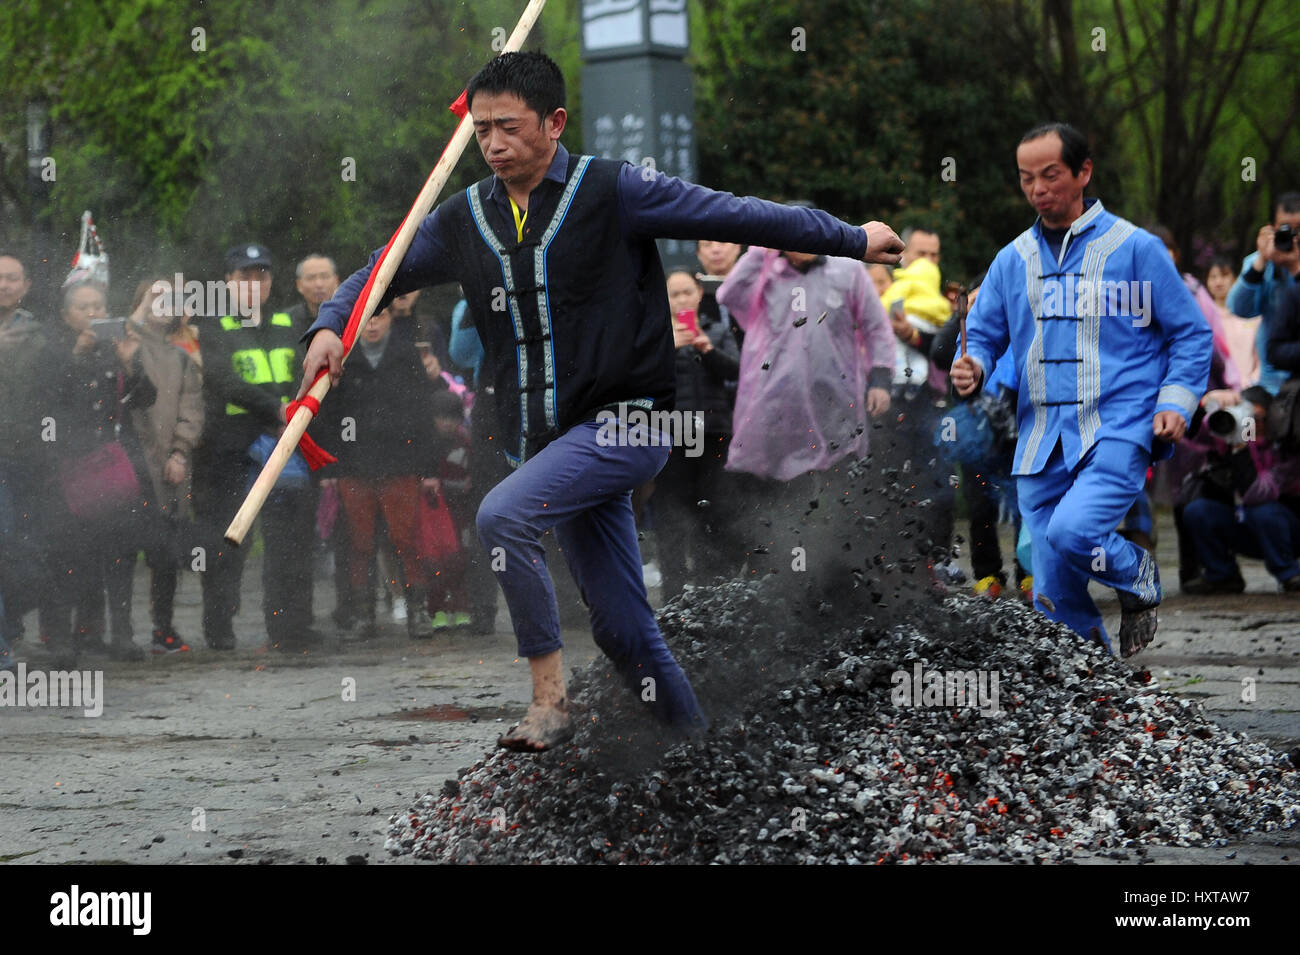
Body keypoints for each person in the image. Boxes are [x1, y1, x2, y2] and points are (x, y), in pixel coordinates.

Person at [300, 52, 903, 751]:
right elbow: (380, 269)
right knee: (623, 629)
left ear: (554, 123)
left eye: (509, 127)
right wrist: (327, 327)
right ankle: (694, 750)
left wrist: (851, 237)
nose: (493, 144)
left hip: (629, 422)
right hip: (547, 442)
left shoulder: (614, 191)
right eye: (482, 130)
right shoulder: (463, 217)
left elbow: (737, 213)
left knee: (501, 515)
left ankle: (549, 702)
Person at [950, 122, 1212, 657]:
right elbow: (983, 335)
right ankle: (1097, 686)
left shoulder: (1135, 249)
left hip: (1117, 428)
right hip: (1039, 438)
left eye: (1050, 175)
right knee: (1050, 590)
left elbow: (1191, 333)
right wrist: (972, 364)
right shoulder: (1011, 260)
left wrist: (1176, 401)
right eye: (1026, 179)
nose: (1037, 189)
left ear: (1083, 172)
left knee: (1072, 533)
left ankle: (1137, 571)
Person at [192, 244, 318, 652]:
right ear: (228, 281)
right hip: (230, 451)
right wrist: (276, 408)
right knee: (227, 544)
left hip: (285, 447)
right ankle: (219, 629)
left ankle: (290, 628)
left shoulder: (286, 321)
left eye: (262, 275)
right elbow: (221, 379)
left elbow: (305, 373)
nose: (254, 283)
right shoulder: (212, 324)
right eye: (245, 275)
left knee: (290, 543)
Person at [35, 280, 156, 663]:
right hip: (65, 469)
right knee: (67, 556)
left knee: (119, 553)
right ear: (66, 315)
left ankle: (117, 634)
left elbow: (145, 398)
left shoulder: (114, 349)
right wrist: (75, 357)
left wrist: (128, 363)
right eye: (83, 307)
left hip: (111, 469)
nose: (92, 314)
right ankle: (60, 640)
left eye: (99, 307)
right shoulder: (52, 351)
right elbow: (47, 401)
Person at [314, 305, 441, 639]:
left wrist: (428, 467)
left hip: (401, 463)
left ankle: (418, 612)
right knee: (360, 542)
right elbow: (329, 413)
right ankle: (363, 615)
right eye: (368, 318)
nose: (372, 325)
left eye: (380, 317)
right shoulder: (342, 357)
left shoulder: (406, 355)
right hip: (355, 463)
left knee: (405, 539)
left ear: (389, 320)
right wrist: (330, 464)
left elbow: (423, 412)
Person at [126, 277, 205, 653]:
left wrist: (179, 453)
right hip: (124, 468)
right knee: (119, 552)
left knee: (165, 554)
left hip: (167, 469)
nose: (162, 304)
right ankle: (116, 633)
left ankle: (163, 628)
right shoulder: (122, 345)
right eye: (153, 297)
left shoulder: (182, 358)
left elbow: (191, 412)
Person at [655, 269, 741, 600]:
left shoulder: (718, 330)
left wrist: (707, 349)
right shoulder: (656, 336)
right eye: (673, 294)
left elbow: (738, 370)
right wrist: (667, 348)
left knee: (715, 509)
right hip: (673, 433)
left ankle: (710, 592)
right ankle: (673, 595)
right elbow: (638, 378)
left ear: (699, 292)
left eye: (686, 292)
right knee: (671, 513)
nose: (680, 300)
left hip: (715, 429)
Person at [1228, 192, 1300, 394]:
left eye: (1299, 229)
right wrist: (1261, 261)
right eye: (1287, 229)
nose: (1293, 237)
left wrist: (1295, 267)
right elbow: (1239, 308)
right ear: (1273, 228)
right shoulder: (1260, 263)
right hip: (1271, 382)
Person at [1207, 257, 1258, 387]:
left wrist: (1251, 383)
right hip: (1213, 393)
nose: (1218, 282)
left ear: (1235, 279)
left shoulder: (1253, 315)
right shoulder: (1202, 317)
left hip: (1248, 391)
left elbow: (1262, 358)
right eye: (1213, 277)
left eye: (1224, 275)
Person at [287, 254, 339, 336]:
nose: (319, 284)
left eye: (325, 277)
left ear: (336, 281)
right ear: (299, 285)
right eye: (310, 278)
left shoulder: (351, 318)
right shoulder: (287, 320)